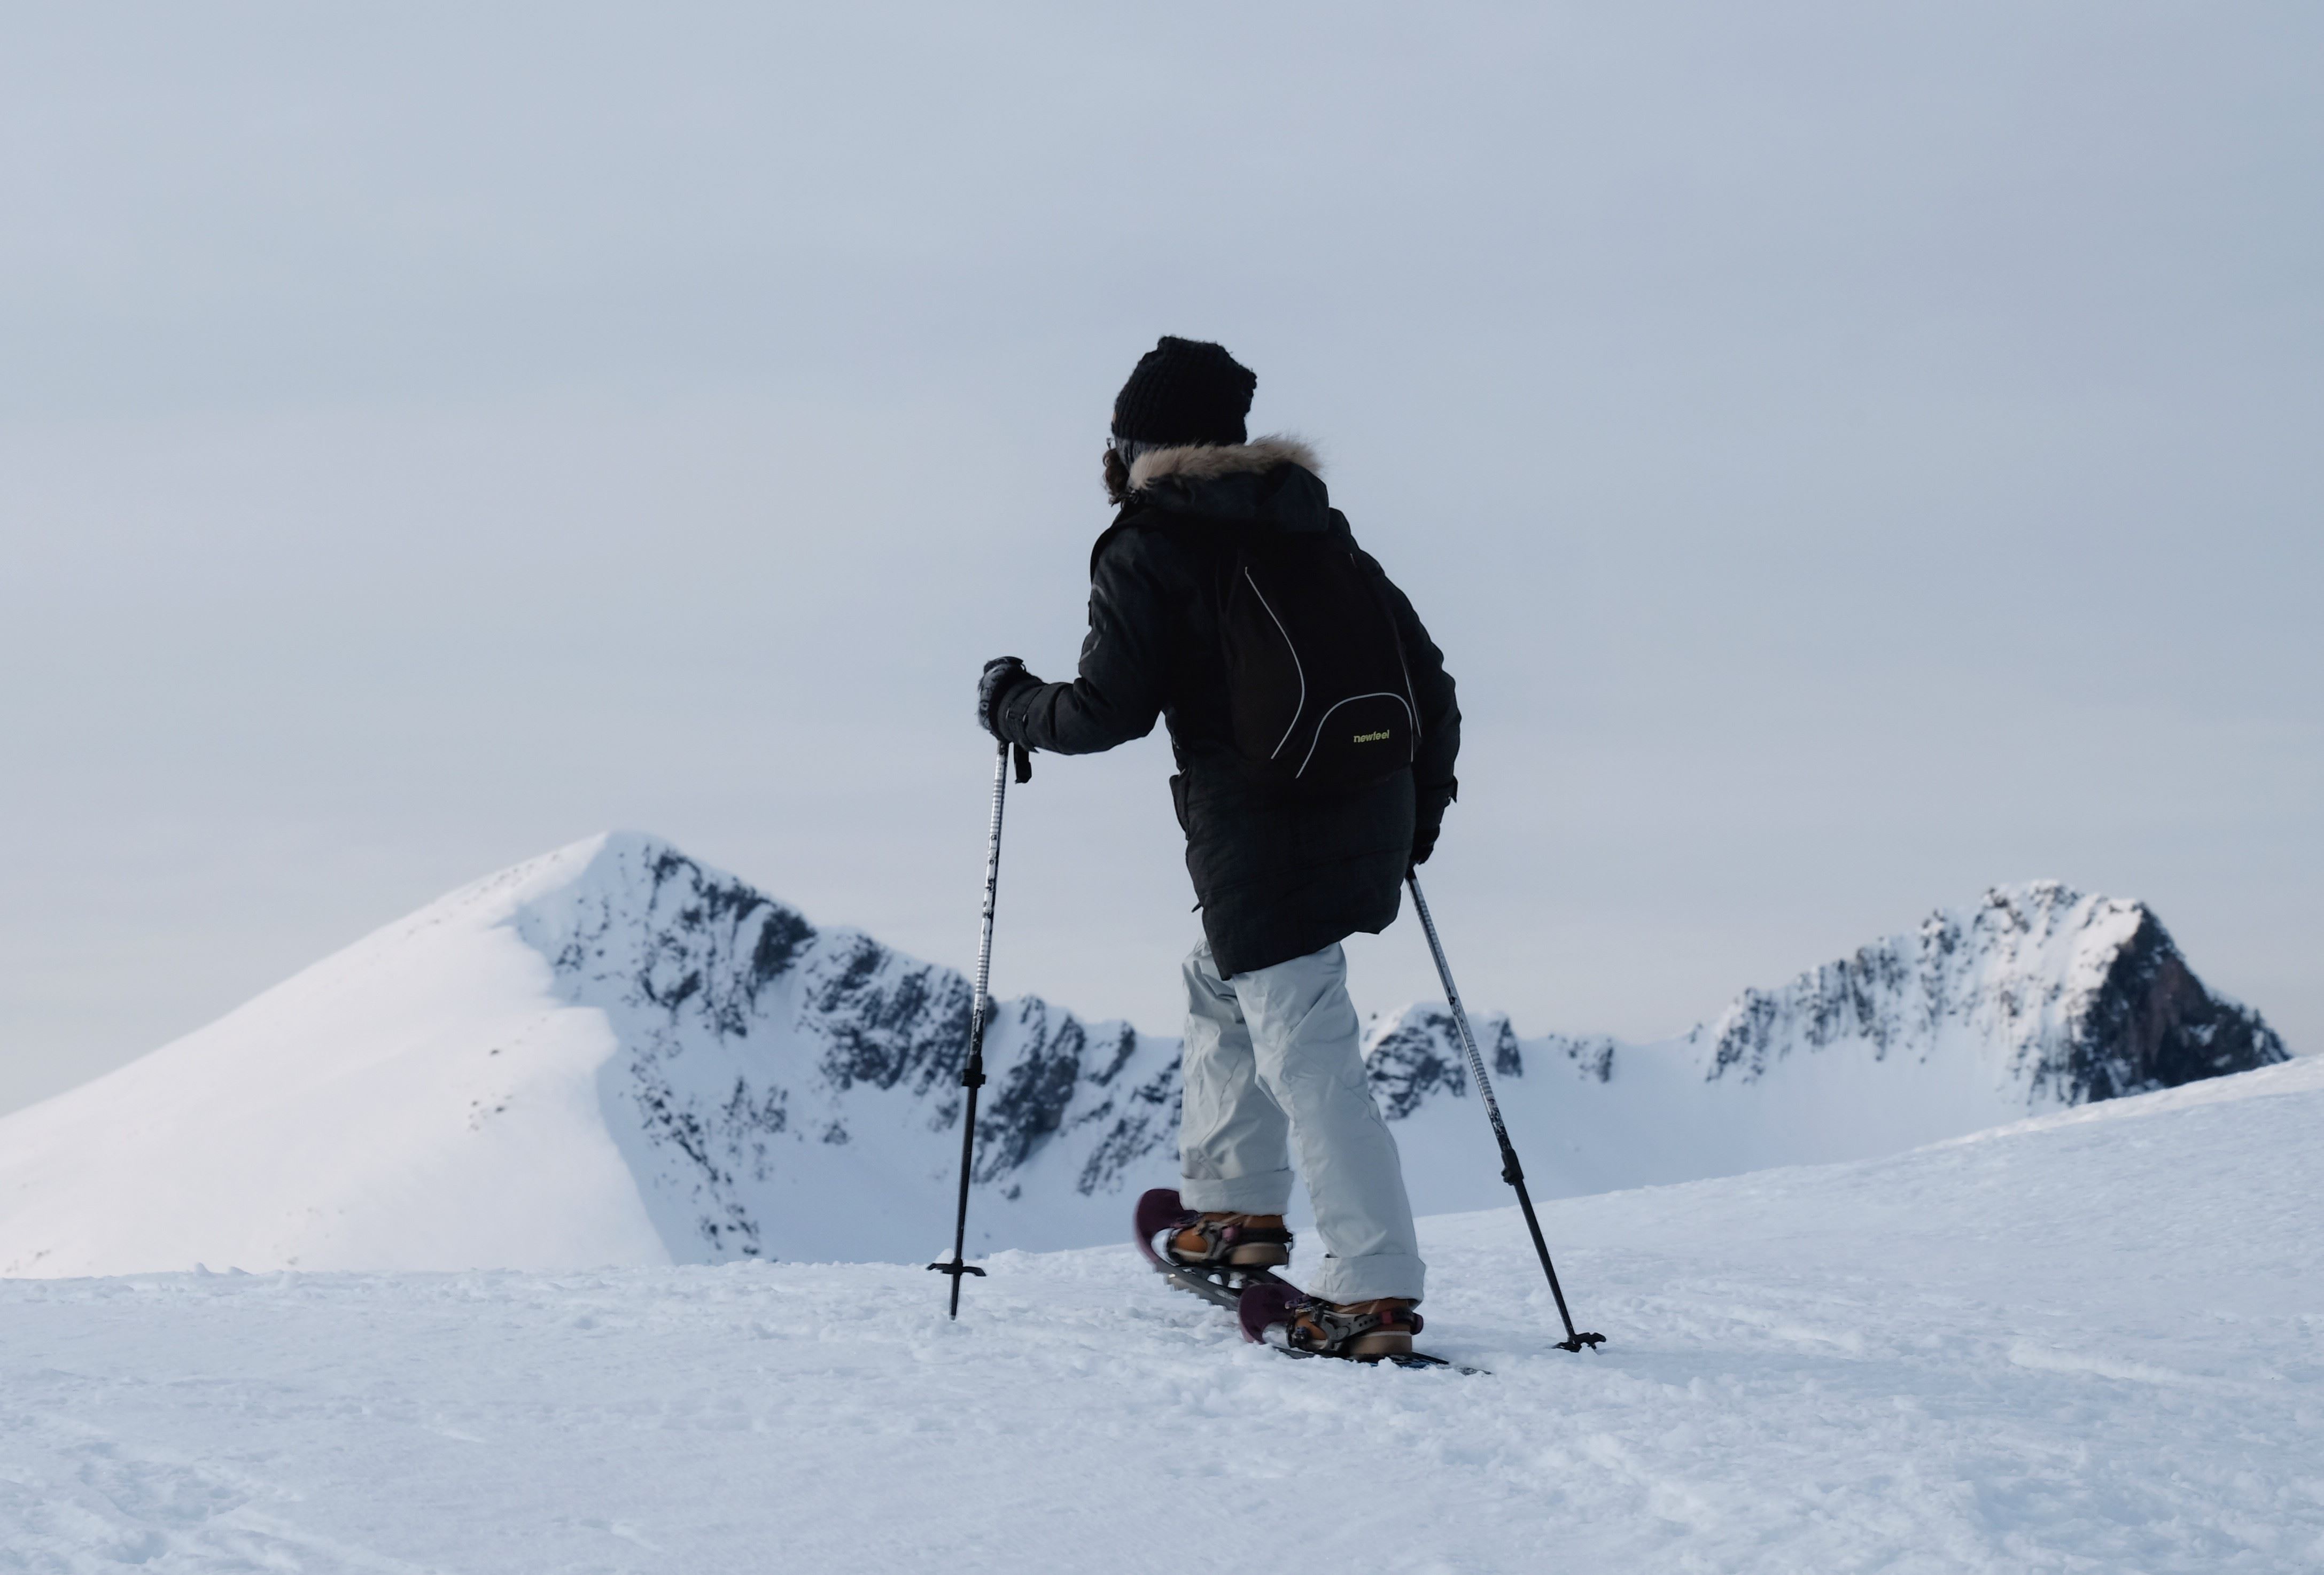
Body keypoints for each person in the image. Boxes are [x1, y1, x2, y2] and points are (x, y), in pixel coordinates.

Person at [976, 336, 1459, 1360]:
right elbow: (1429, 681)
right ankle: (1234, 1216)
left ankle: (1370, 1289)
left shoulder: (1151, 543)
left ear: (1130, 444)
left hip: (1261, 831)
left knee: (1305, 1044)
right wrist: (1416, 817)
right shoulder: (1314, 531)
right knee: (1221, 983)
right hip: (1364, 816)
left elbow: (1107, 709)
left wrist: (1012, 705)